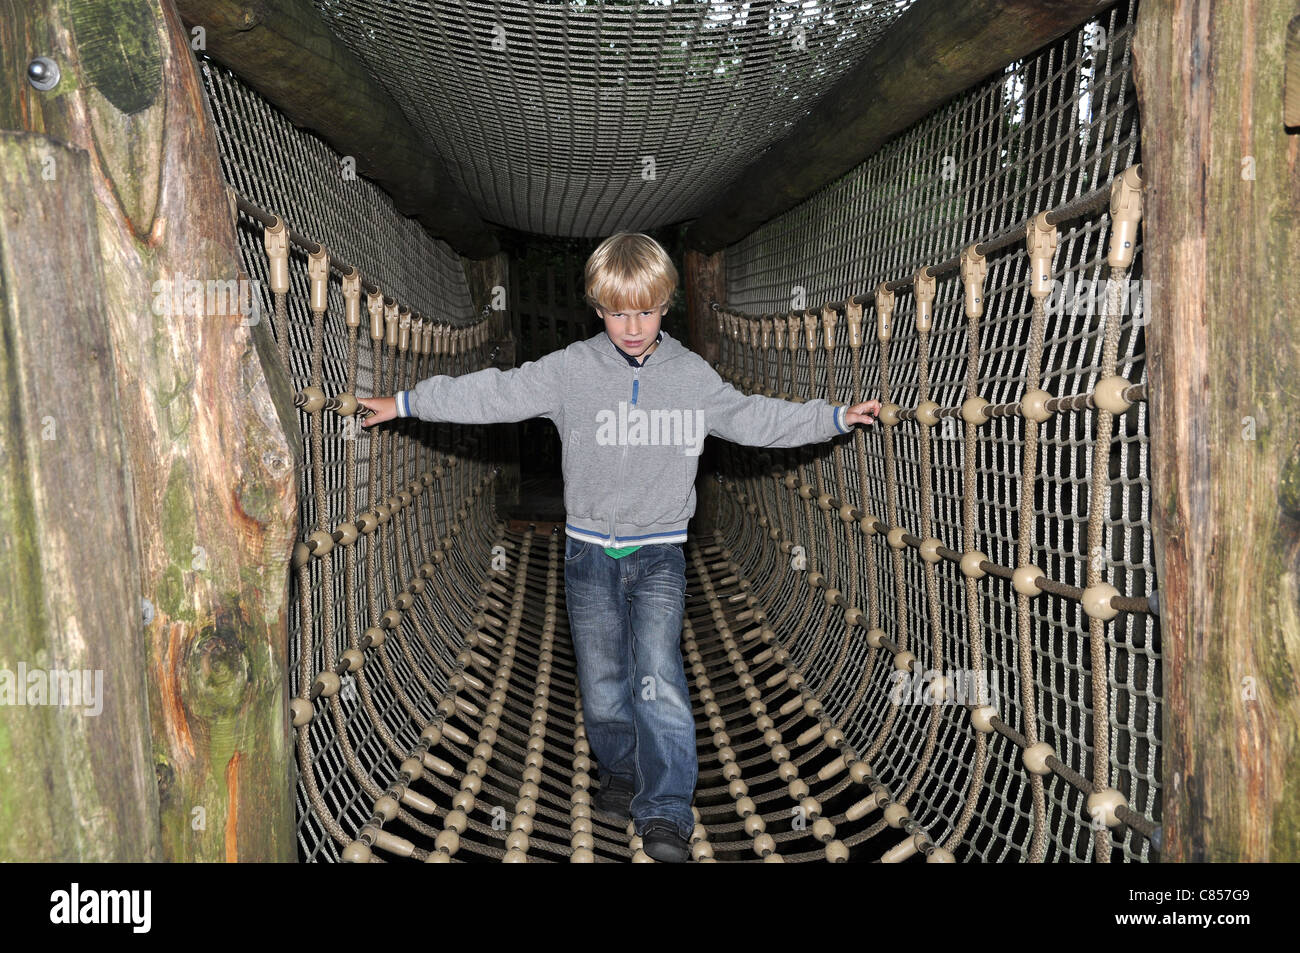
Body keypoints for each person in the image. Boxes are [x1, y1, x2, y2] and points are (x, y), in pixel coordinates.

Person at [359, 232, 880, 862]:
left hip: (659, 552)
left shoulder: (690, 376)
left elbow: (751, 416)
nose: (632, 327)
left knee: (658, 675)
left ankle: (664, 811)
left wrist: (831, 416)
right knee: (603, 681)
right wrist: (409, 401)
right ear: (598, 308)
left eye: (646, 310)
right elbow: (493, 393)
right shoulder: (572, 370)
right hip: (586, 555)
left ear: (667, 306)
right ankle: (622, 770)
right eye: (617, 312)